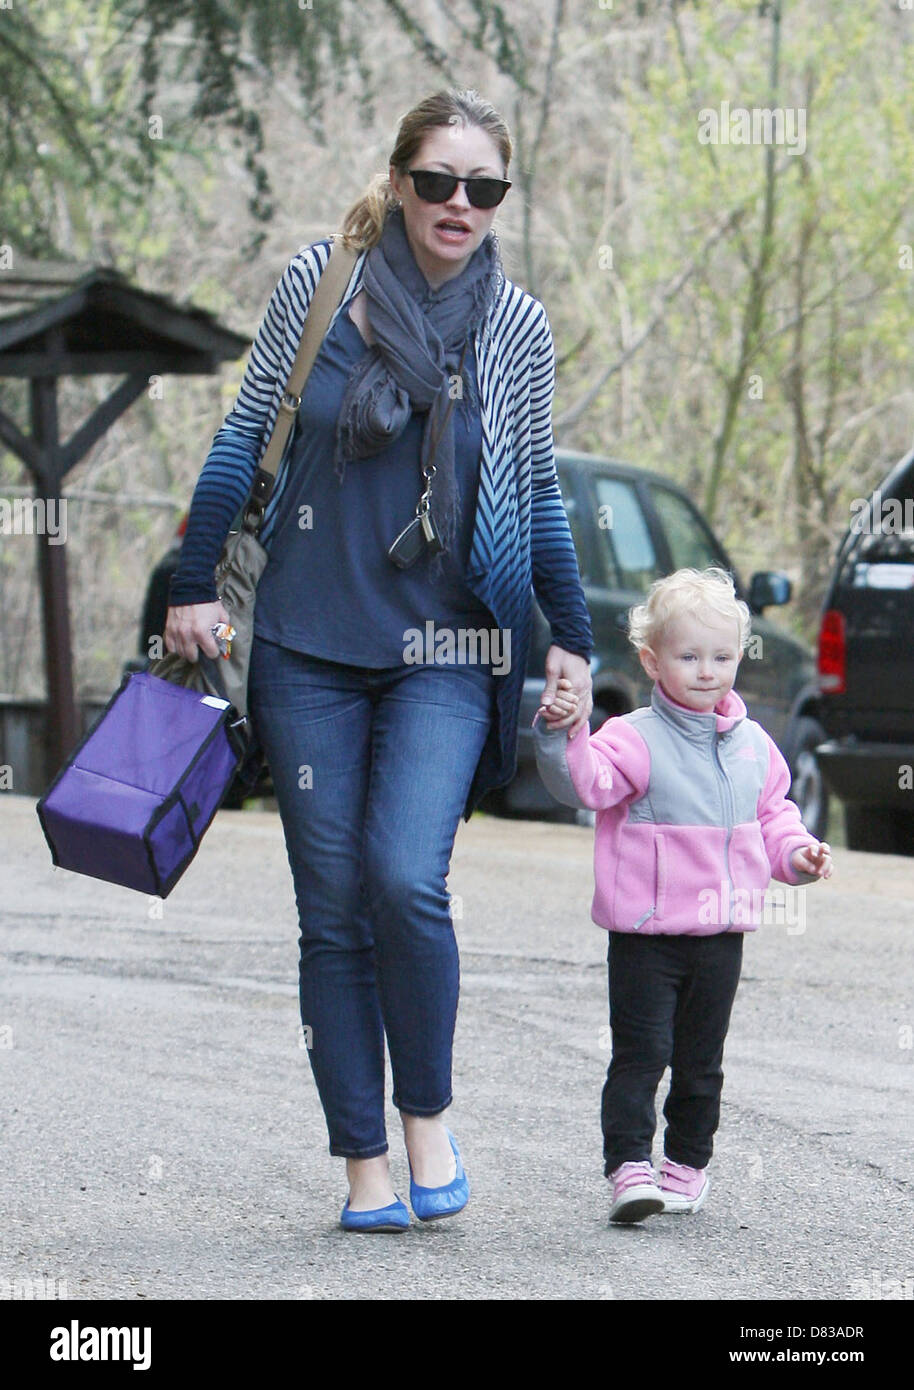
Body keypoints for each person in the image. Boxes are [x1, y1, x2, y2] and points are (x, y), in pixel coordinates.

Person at [164, 88, 594, 1231]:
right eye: (439, 180)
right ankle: (362, 1166)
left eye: (483, 187)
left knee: (406, 877)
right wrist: (190, 580)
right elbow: (245, 433)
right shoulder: (322, 284)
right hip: (306, 643)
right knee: (332, 907)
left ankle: (427, 1120)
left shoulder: (517, 329)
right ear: (399, 181)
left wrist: (575, 640)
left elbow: (537, 491)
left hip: (447, 650)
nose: (460, 204)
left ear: (499, 200)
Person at [532, 567, 832, 1224]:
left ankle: (687, 1166)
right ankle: (630, 1167)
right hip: (644, 935)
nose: (706, 671)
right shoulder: (633, 737)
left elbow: (775, 816)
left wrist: (797, 855)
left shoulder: (755, 747)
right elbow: (586, 784)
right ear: (651, 659)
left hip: (720, 937)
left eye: (721, 657)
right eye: (688, 656)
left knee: (701, 1061)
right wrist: (566, 732)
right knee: (641, 1055)